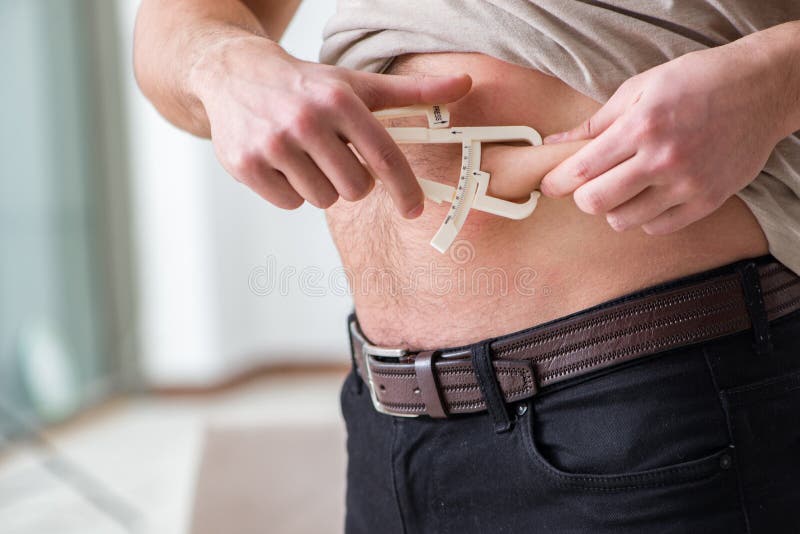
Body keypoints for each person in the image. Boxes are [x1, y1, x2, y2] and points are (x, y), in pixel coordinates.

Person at [134, 1, 800, 532]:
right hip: (387, 424)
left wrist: (773, 81)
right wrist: (221, 64)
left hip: (654, 401)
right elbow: (177, 24)